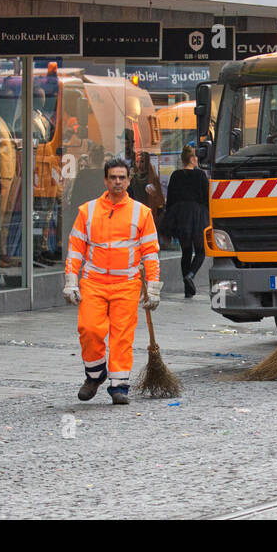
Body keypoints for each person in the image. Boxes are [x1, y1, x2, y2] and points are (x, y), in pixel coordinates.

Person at [63, 157, 161, 405]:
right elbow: (76, 249)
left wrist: (153, 288)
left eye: (122, 177)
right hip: (93, 280)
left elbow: (150, 253)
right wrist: (71, 281)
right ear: (106, 180)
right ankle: (95, 375)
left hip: (126, 284)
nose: (117, 182)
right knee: (89, 329)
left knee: (121, 336)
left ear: (129, 180)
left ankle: (119, 386)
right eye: (113, 177)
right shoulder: (88, 211)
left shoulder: (142, 213)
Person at [163, 145, 210, 297]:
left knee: (186, 251)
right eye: (196, 157)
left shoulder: (176, 175)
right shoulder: (200, 175)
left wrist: (169, 220)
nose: (198, 160)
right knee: (201, 251)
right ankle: (190, 275)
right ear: (192, 159)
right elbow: (206, 197)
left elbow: (170, 198)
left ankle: (187, 290)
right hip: (197, 215)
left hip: (180, 215)